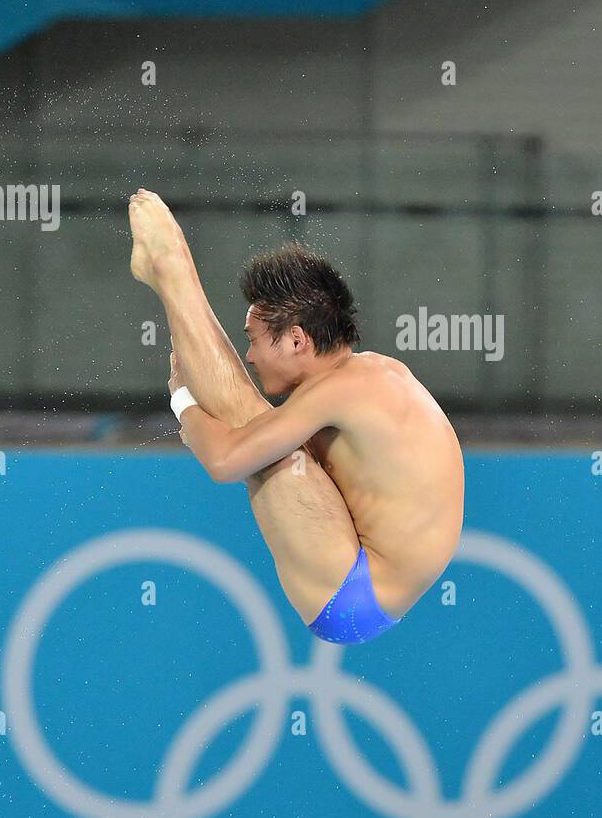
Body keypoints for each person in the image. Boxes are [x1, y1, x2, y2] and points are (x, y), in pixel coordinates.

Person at [127, 189, 464, 643]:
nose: (248, 356)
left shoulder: (343, 390)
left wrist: (182, 402)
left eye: (253, 339)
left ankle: (173, 268)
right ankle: (171, 272)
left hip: (349, 596)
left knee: (262, 442)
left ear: (297, 340)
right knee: (267, 435)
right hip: (367, 581)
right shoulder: (375, 372)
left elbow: (225, 460)